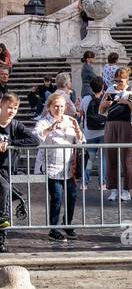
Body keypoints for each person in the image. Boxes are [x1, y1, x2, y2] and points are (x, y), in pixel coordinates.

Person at [35, 92, 84, 243]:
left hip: (69, 168)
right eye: (56, 106)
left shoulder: (70, 120)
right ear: (49, 107)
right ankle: (53, 228)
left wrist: (77, 130)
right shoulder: (43, 121)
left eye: (62, 106)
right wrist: (50, 129)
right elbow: (35, 137)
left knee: (72, 197)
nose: (59, 109)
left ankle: (67, 224)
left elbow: (82, 141)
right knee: (56, 197)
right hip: (51, 167)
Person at [0, 93, 39, 251]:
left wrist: (10, 143)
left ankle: (1, 242)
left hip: (6, 168)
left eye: (15, 108)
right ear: (1, 105)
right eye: (9, 107)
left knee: (5, 202)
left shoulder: (15, 125)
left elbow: (34, 141)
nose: (12, 111)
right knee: (5, 190)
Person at [99, 68, 132, 200]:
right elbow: (101, 109)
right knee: (111, 157)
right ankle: (113, 189)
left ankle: (126, 190)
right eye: (115, 80)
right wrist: (105, 103)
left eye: (120, 81)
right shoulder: (110, 90)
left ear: (127, 79)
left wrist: (127, 102)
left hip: (126, 124)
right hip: (111, 124)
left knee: (126, 158)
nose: (117, 83)